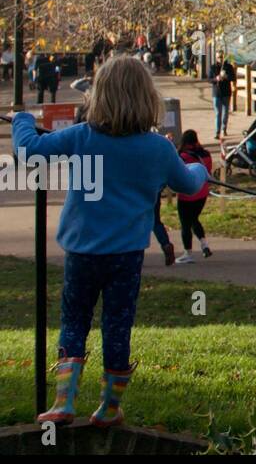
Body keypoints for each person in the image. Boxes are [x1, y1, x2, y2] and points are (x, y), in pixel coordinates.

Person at [14, 55, 208, 426]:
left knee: (74, 321)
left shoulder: (82, 136)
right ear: (146, 97)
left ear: (99, 95)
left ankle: (63, 402)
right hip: (127, 254)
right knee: (118, 325)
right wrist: (200, 168)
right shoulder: (158, 148)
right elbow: (188, 183)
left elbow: (29, 152)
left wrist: (24, 120)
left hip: (82, 251)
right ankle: (110, 407)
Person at [174, 130, 213, 262]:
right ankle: (204, 244)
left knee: (185, 224)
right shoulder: (206, 155)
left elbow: (178, 174)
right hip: (202, 194)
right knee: (194, 219)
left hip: (187, 195)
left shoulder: (182, 156)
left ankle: (188, 253)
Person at [210, 52, 235, 140]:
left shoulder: (228, 67)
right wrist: (216, 79)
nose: (220, 59)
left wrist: (226, 77)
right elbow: (209, 79)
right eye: (218, 57)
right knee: (218, 113)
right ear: (216, 58)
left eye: (221, 57)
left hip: (226, 92)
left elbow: (233, 78)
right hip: (216, 92)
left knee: (225, 112)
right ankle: (217, 131)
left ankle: (224, 129)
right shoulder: (213, 67)